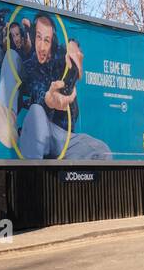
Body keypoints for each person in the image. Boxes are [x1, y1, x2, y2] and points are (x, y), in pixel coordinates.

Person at [17, 14, 112, 160]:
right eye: (39, 37)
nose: (42, 47)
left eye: (47, 40)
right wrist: (49, 100)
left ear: (53, 41)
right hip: (39, 128)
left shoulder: (59, 56)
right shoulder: (30, 64)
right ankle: (32, 176)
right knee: (36, 110)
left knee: (102, 151)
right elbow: (36, 91)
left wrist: (73, 44)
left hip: (64, 137)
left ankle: (64, 174)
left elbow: (71, 43)